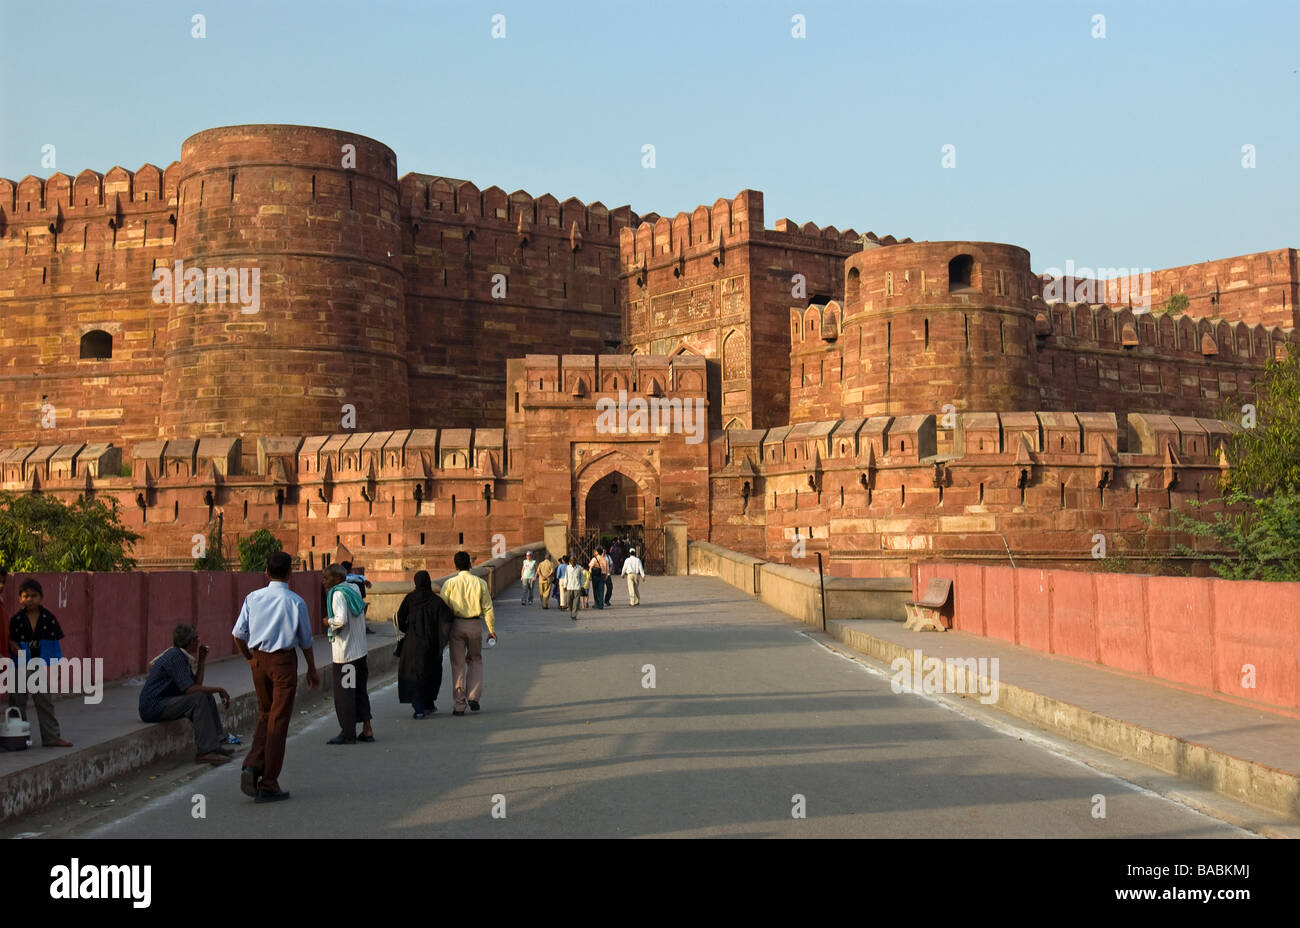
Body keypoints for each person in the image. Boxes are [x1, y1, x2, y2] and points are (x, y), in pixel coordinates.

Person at [232, 550, 321, 803]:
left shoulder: (253, 597)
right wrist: (312, 670)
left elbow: (238, 634)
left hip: (259, 659)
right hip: (283, 662)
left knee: (265, 714)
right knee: (278, 720)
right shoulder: (296, 602)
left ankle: (252, 764)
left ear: (267, 573)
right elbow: (305, 641)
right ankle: (269, 782)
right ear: (290, 574)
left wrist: (249, 659)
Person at [139, 624, 233, 765]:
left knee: (205, 695)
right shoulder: (175, 656)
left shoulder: (181, 655)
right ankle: (205, 752)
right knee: (199, 698)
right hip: (153, 707)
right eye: (196, 639)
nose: (198, 641)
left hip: (165, 702)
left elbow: (196, 685)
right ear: (191, 642)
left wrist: (201, 660)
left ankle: (215, 744)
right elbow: (190, 689)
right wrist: (219, 689)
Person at [8, 578, 73, 747]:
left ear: (41, 597)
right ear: (20, 599)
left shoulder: (48, 619)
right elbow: (9, 642)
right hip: (18, 666)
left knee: (45, 701)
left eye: (34, 595)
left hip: (38, 666)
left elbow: (54, 646)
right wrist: (13, 646)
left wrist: (58, 666)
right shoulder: (16, 620)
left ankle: (51, 737)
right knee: (17, 702)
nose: (30, 599)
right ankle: (20, 738)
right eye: (26, 596)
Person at [438, 551, 497, 716]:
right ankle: (473, 696)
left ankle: (459, 704)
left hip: (456, 625)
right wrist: (491, 630)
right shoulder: (480, 583)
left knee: (458, 664)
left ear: (455, 565)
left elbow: (443, 609)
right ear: (470, 565)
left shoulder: (449, 584)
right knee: (475, 660)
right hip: (474, 624)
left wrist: (443, 631)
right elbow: (488, 608)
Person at [323, 564, 373, 745]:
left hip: (346, 657)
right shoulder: (353, 589)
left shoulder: (337, 594)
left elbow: (340, 620)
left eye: (327, 578)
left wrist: (327, 621)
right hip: (360, 652)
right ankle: (367, 728)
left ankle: (348, 732)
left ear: (337, 578)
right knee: (360, 691)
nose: (324, 582)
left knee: (345, 694)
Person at [397, 570, 454, 718]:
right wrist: (442, 639)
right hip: (431, 643)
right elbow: (447, 619)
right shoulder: (436, 601)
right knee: (430, 673)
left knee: (414, 674)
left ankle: (419, 708)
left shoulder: (410, 599)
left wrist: (407, 629)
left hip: (412, 643)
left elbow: (399, 618)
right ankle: (427, 704)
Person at [563, 553, 587, 622]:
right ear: (570, 561)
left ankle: (574, 615)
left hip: (577, 587)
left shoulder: (579, 568)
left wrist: (582, 586)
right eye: (572, 560)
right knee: (569, 602)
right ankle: (571, 611)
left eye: (574, 560)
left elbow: (582, 577)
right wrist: (565, 585)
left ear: (576, 561)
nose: (573, 561)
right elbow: (566, 577)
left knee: (576, 603)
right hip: (569, 587)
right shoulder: (568, 567)